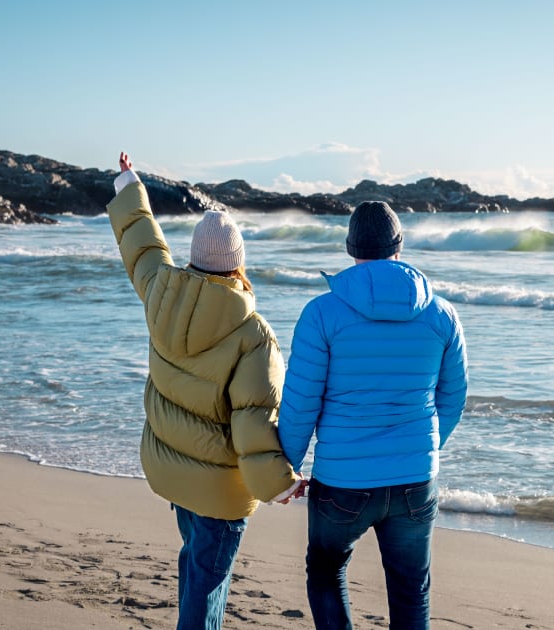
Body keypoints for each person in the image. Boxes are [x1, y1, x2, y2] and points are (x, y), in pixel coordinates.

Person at [106, 152, 304, 630]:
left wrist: (129, 182)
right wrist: (281, 484)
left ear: (195, 256)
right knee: (207, 582)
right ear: (238, 265)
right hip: (219, 486)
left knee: (196, 562)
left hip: (172, 468)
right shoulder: (253, 333)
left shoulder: (160, 290)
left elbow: (141, 243)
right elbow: (254, 421)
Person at [278, 201, 468, 630]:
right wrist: (424, 449)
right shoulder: (442, 314)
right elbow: (453, 397)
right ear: (399, 246)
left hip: (342, 483)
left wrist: (284, 468)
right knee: (410, 587)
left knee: (326, 571)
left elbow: (301, 402)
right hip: (415, 480)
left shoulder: (321, 314)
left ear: (351, 249)